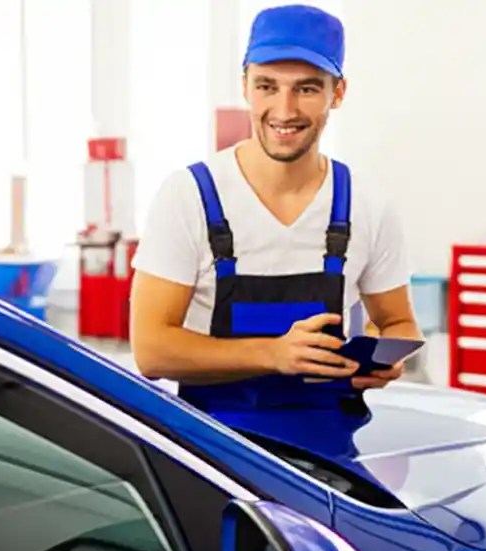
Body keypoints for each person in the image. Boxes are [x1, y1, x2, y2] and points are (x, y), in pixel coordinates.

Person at [130, 3, 419, 415]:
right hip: (213, 452)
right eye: (267, 86)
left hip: (330, 445)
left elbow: (399, 324)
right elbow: (151, 351)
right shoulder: (189, 195)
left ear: (337, 93)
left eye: (306, 88)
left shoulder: (366, 204)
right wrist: (274, 354)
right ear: (245, 86)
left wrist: (383, 358)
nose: (284, 111)